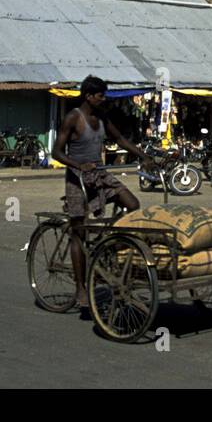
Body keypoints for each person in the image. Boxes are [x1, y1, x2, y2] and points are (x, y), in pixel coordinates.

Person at [52, 75, 150, 300]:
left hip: (100, 174)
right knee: (79, 232)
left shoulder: (102, 117)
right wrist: (79, 165)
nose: (103, 99)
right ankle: (80, 288)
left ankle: (106, 246)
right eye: (100, 95)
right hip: (78, 177)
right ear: (88, 96)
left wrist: (145, 156)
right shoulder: (73, 118)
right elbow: (56, 152)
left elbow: (121, 140)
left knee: (132, 204)